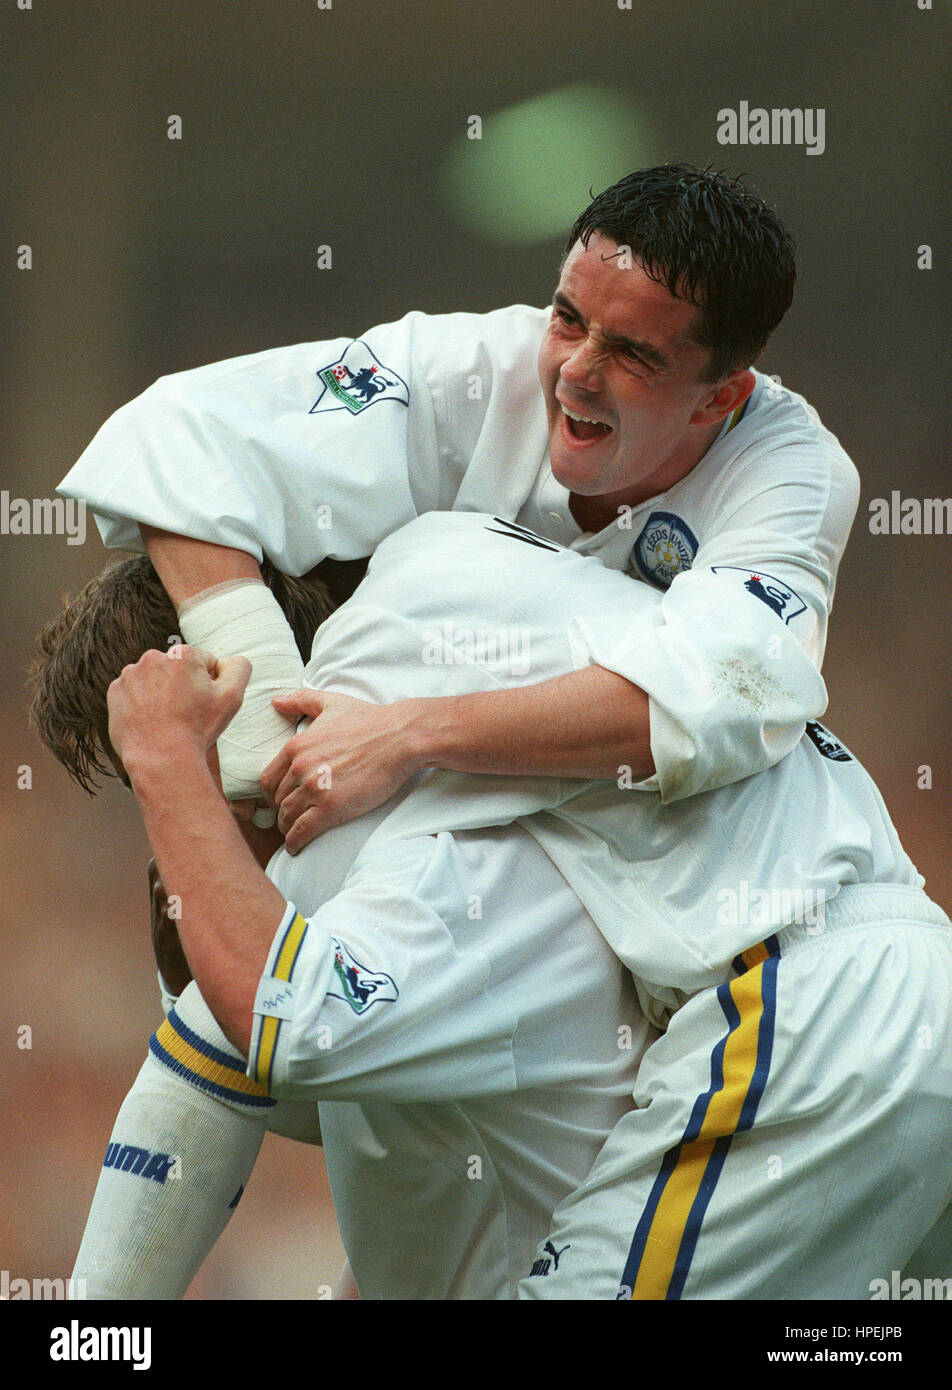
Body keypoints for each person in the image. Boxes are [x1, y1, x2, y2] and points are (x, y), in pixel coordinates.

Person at [37, 509, 952, 1299]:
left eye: (188, 769)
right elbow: (325, 1088)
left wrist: (171, 783)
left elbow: (268, 1034)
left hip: (812, 1022)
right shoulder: (465, 672)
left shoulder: (440, 857)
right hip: (865, 1007)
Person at [56, 163, 859, 851]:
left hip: (673, 864)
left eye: (632, 354)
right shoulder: (469, 368)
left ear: (720, 397)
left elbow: (733, 695)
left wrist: (408, 736)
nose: (576, 371)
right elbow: (181, 429)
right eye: (568, 319)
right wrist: (266, 731)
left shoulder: (789, 473)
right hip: (425, 822)